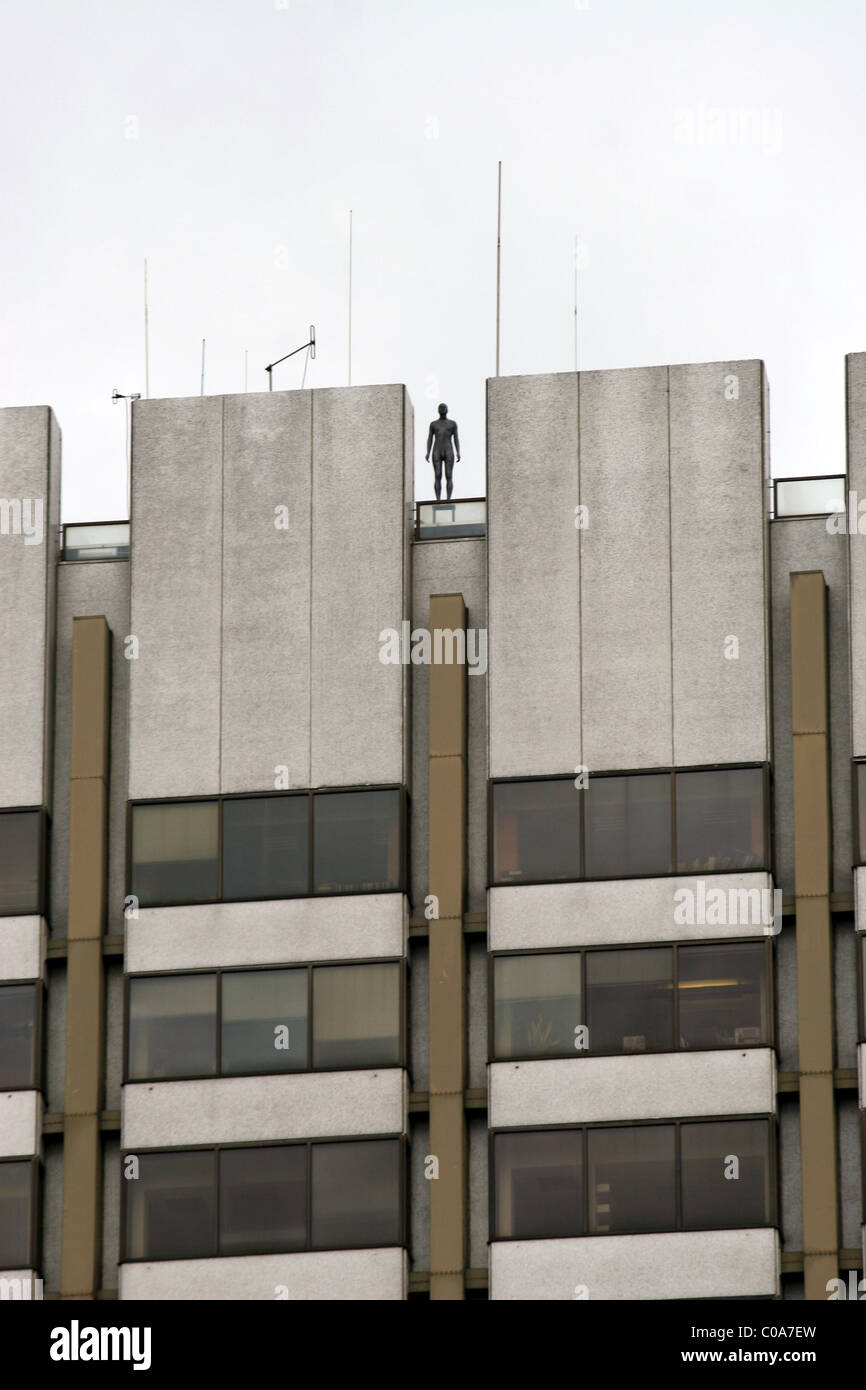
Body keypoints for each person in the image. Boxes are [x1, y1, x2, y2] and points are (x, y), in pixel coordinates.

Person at [426, 403, 460, 500]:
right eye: (440, 408)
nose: (442, 409)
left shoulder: (452, 424)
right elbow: (430, 438)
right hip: (437, 449)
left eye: (444, 407)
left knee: (449, 475)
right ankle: (438, 499)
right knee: (437, 475)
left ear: (447, 409)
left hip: (448, 449)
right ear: (438, 410)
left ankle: (448, 498)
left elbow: (456, 438)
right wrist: (428, 452)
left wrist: (458, 451)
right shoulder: (433, 424)